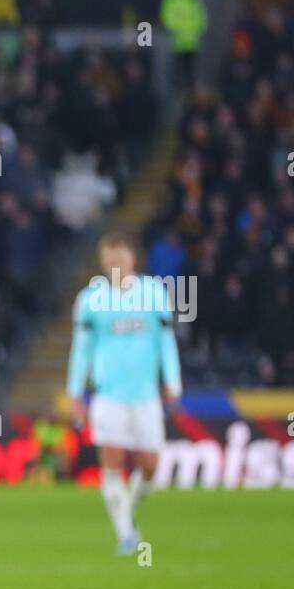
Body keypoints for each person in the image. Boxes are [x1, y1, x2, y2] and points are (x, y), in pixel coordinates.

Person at [66, 232, 182, 554]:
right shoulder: (90, 299)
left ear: (133, 259)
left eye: (120, 257)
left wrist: (173, 381)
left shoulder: (154, 293)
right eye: (109, 259)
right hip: (109, 396)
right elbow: (82, 349)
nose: (115, 264)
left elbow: (166, 341)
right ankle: (127, 535)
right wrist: (75, 393)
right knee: (113, 464)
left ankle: (126, 511)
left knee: (150, 467)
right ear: (103, 263)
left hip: (145, 395)